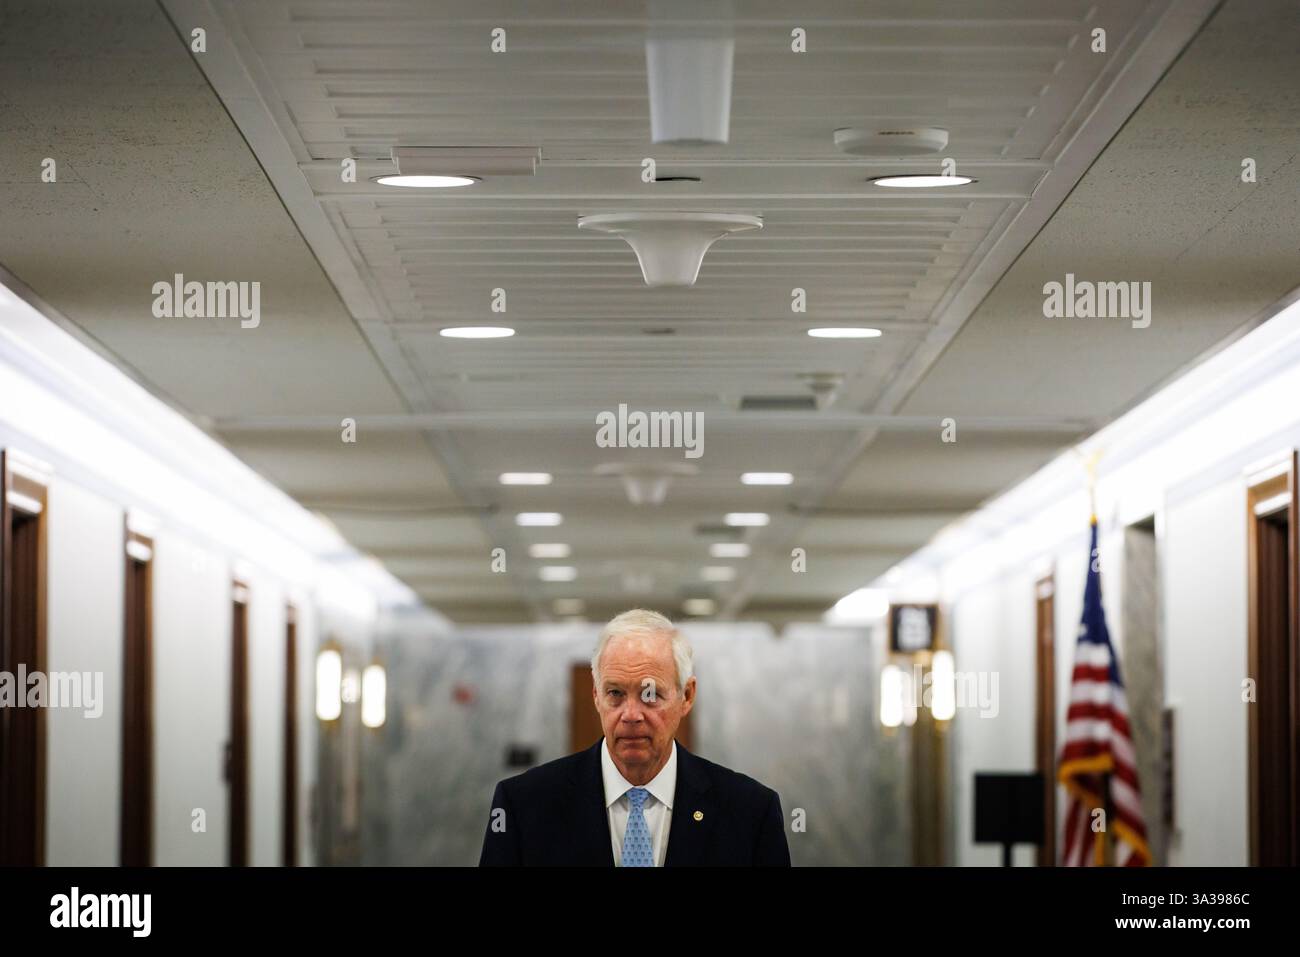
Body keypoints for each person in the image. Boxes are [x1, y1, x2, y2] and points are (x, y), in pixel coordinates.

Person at [479, 608, 791, 866]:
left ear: (687, 695)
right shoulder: (523, 807)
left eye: (650, 694)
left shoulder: (750, 812)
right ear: (596, 697)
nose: (631, 714)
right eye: (615, 693)